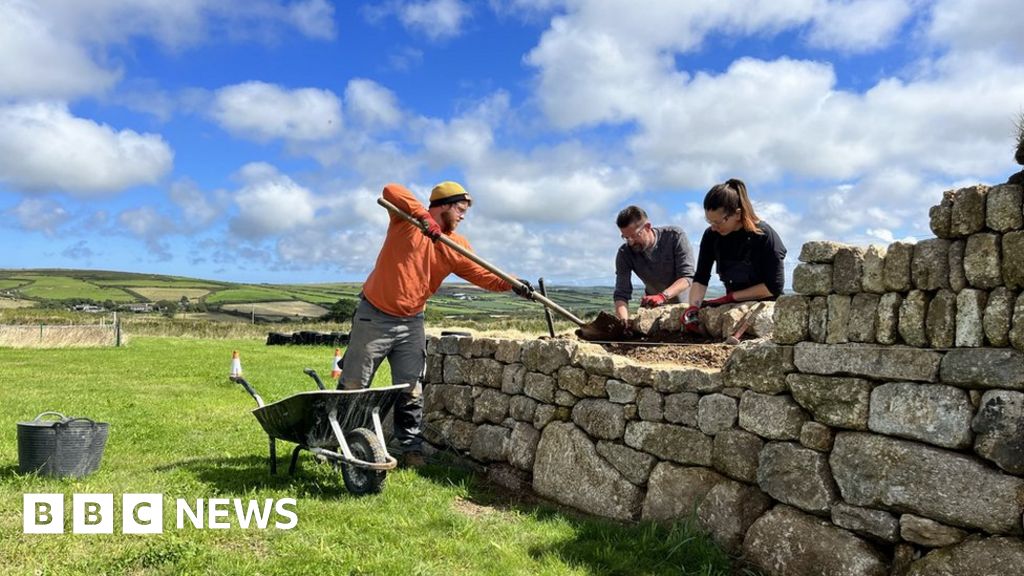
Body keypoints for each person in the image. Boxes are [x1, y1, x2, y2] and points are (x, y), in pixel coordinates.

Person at [340, 181, 533, 467]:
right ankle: (340, 444)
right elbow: (391, 189)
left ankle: (410, 450)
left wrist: (512, 284)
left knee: (411, 389)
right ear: (443, 205)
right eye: (460, 209)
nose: (464, 216)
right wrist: (425, 219)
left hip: (412, 322)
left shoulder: (455, 244)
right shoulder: (405, 221)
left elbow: (483, 275)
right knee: (355, 384)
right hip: (375, 316)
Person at [683, 178, 787, 332]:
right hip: (734, 307)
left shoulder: (764, 236)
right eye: (709, 222)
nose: (713, 228)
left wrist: (729, 298)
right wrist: (692, 308)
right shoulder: (712, 235)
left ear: (737, 214)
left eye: (718, 222)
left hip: (766, 309)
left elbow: (774, 286)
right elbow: (701, 277)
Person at [613, 206, 695, 333]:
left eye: (634, 236)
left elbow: (687, 277)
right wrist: (623, 320)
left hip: (687, 308)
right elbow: (621, 293)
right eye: (625, 237)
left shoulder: (675, 236)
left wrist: (662, 296)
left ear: (647, 227)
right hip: (654, 311)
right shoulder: (625, 253)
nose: (630, 242)